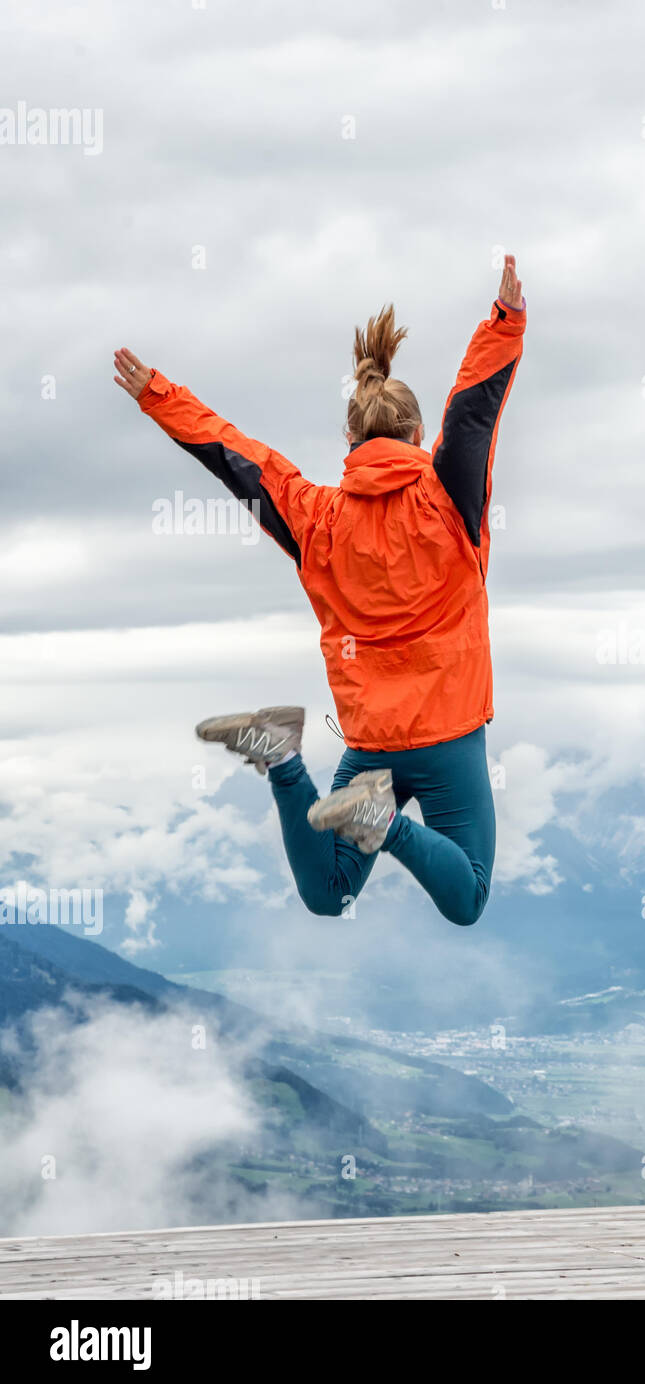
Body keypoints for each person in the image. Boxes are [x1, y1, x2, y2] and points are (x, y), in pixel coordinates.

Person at [112, 257, 527, 926]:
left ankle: (281, 754)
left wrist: (158, 393)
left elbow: (233, 455)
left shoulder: (316, 516)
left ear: (350, 439)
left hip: (371, 741)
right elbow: (474, 411)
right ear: (419, 437)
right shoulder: (450, 496)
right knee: (468, 896)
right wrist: (504, 324)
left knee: (330, 893)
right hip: (450, 734)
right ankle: (381, 824)